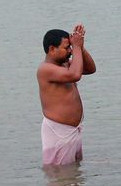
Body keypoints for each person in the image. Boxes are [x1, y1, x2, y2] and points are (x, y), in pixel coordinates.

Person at [38, 25, 96, 166]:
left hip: (72, 130)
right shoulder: (45, 69)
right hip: (58, 132)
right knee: (60, 177)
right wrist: (76, 47)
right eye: (66, 48)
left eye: (70, 47)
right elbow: (75, 75)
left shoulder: (65, 65)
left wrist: (80, 47)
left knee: (73, 175)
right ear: (52, 49)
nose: (70, 51)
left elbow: (90, 69)